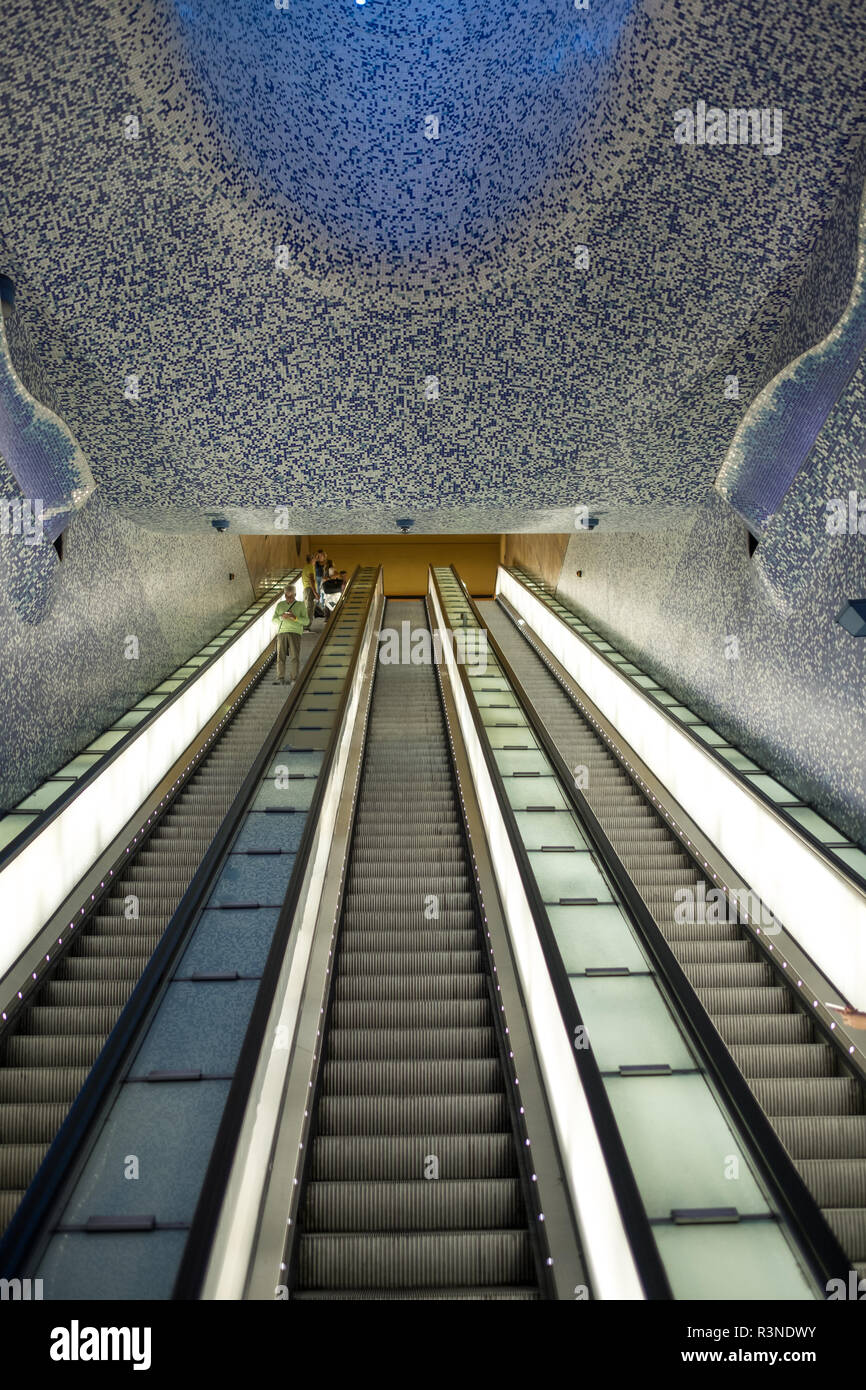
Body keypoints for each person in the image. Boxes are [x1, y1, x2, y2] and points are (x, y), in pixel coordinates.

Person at [272, 579, 310, 685]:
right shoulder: (280, 605)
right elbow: (273, 620)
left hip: (295, 632)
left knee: (294, 656)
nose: (289, 599)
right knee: (280, 656)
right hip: (282, 632)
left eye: (291, 596)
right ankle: (280, 677)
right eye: (286, 596)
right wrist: (281, 617)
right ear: (284, 595)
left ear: (295, 594)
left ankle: (294, 678)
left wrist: (295, 618)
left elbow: (307, 621)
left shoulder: (301, 605)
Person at [301, 553, 317, 626]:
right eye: (314, 558)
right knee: (309, 608)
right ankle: (306, 626)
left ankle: (306, 626)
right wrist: (315, 592)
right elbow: (311, 580)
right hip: (309, 590)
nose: (315, 560)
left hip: (306, 589)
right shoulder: (310, 567)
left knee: (308, 607)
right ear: (312, 559)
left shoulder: (305, 567)